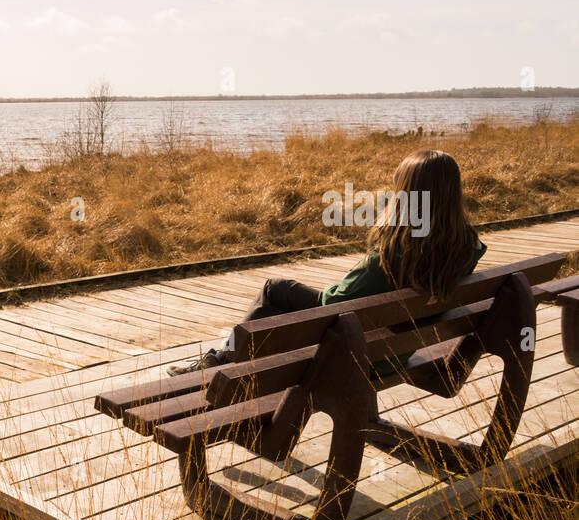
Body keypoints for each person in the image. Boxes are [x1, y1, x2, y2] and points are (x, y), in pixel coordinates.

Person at [167, 148, 487, 376]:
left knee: (274, 291)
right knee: (278, 305)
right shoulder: (466, 249)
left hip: (357, 357)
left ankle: (224, 360)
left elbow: (334, 302)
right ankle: (229, 354)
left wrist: (358, 270)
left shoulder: (393, 256)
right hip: (396, 352)